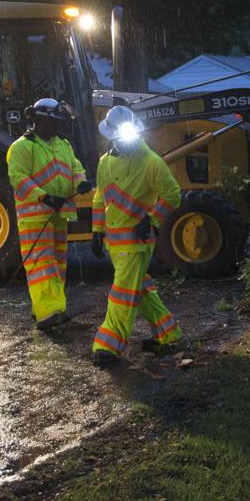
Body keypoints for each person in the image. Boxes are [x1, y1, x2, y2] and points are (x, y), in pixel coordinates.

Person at [90, 105, 183, 367]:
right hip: (114, 242)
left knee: (122, 292)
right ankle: (169, 334)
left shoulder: (151, 161)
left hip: (137, 243)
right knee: (138, 290)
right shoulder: (104, 162)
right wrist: (96, 231)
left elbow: (173, 194)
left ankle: (108, 344)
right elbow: (99, 198)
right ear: (111, 136)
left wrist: (152, 221)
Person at [6, 98, 89, 330]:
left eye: (57, 122)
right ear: (38, 120)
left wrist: (80, 182)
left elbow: (76, 168)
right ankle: (47, 313)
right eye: (52, 122)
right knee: (41, 264)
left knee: (57, 264)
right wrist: (43, 197)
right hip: (35, 216)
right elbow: (18, 179)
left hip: (59, 214)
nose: (55, 127)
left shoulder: (63, 144)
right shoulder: (22, 146)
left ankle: (51, 308)